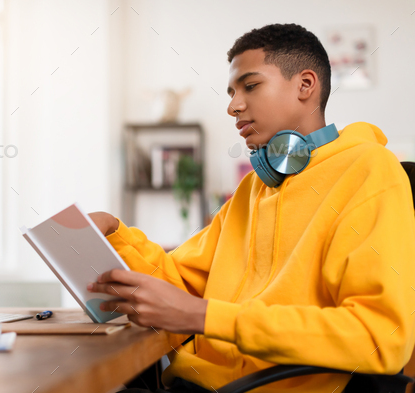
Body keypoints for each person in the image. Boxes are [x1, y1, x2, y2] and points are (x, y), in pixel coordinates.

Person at [87, 23, 415, 392]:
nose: (233, 106)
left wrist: (206, 316)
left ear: (306, 86)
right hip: (199, 383)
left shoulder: (369, 170)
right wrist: (116, 234)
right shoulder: (254, 187)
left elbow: (379, 336)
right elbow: (182, 284)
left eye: (251, 85)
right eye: (231, 92)